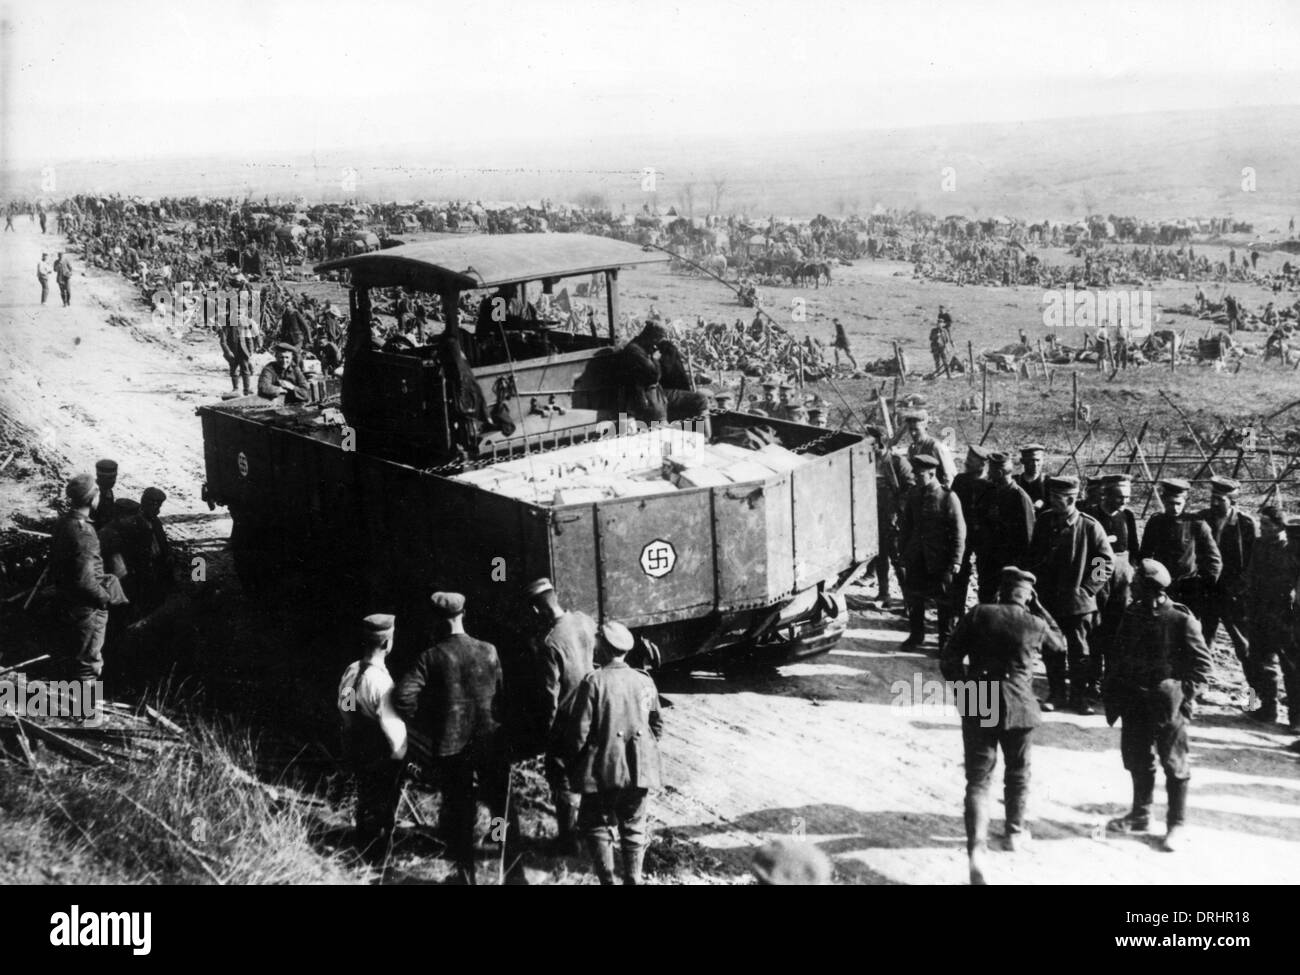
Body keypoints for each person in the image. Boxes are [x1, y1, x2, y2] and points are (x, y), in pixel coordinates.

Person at [941, 567, 1066, 884]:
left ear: (1000, 592)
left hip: (979, 700)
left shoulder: (978, 613)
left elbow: (949, 658)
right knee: (1018, 771)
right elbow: (1060, 645)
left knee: (978, 781)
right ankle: (1013, 833)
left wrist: (967, 691)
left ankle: (976, 851)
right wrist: (1040, 609)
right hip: (1019, 706)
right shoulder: (1034, 622)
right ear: (1027, 596)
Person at [393, 591, 521, 884]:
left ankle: (465, 876)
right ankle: (511, 871)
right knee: (500, 806)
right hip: (490, 743)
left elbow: (403, 697)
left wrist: (427, 720)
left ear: (437, 621)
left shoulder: (431, 657)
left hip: (452, 748)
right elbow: (502, 697)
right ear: (464, 614)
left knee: (461, 812)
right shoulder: (489, 650)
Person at [1103, 559, 1212, 852]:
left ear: (1150, 587)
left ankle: (1176, 824)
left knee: (1174, 765)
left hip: (1168, 707)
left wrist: (1180, 695)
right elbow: (1119, 652)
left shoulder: (1180, 619)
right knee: (1137, 759)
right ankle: (1140, 815)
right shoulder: (1133, 612)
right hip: (1135, 701)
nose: (1131, 584)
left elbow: (1203, 667)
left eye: (1136, 581)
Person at [562, 621, 663, 885]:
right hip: (639, 770)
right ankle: (633, 879)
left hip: (603, 771)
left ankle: (607, 880)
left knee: (595, 824)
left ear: (604, 650)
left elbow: (579, 734)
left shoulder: (594, 682)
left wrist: (574, 765)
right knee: (633, 826)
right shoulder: (644, 681)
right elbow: (657, 726)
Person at [1027, 475, 1113, 713]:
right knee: (1052, 650)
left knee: (1080, 653)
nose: (1052, 501)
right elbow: (1034, 555)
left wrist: (1087, 589)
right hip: (1048, 601)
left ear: (1072, 498)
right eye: (1052, 496)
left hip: (1078, 604)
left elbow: (1105, 561)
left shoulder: (1090, 526)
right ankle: (1056, 694)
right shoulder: (1044, 521)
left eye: (1058, 498)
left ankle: (1079, 697)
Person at [526, 577, 597, 853]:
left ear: (536, 610)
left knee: (563, 778)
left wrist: (547, 731)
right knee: (589, 770)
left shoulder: (549, 642)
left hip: (568, 720)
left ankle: (569, 841)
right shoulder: (584, 620)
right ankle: (594, 831)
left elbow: (549, 695)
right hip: (593, 710)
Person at [337, 613, 408, 864]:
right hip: (379, 754)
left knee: (365, 801)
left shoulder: (351, 670)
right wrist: (399, 761)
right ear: (387, 644)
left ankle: (360, 855)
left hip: (358, 747)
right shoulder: (382, 683)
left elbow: (345, 710)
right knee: (381, 812)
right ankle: (376, 866)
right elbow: (394, 731)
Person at [50, 474, 127, 683]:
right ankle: (85, 712)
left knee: (74, 656)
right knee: (87, 664)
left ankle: (74, 709)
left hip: (67, 600)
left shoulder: (64, 523)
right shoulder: (84, 531)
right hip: (87, 606)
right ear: (93, 498)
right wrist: (103, 598)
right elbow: (84, 579)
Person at [898, 453, 965, 651]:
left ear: (931, 473)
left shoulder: (947, 497)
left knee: (944, 603)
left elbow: (959, 531)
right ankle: (916, 635)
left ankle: (945, 641)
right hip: (916, 558)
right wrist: (903, 553)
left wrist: (956, 560)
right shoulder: (914, 495)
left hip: (940, 560)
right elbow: (907, 526)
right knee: (915, 598)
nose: (916, 478)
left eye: (919, 475)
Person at [1194, 476, 1255, 693]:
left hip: (1233, 595)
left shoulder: (1245, 525)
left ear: (1233, 502)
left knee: (1243, 645)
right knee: (1202, 640)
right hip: (1207, 591)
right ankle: (1200, 687)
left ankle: (1256, 695)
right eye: (1212, 498)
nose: (1214, 503)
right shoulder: (1202, 519)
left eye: (1219, 499)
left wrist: (1240, 590)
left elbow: (1250, 563)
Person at [1240, 506, 1294, 725]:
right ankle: (1264, 707)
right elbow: (1251, 573)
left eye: (1266, 525)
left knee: (1288, 666)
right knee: (1257, 662)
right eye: (1260, 524)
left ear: (1280, 527)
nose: (1261, 529)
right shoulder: (1260, 544)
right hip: (1258, 612)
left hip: (1283, 616)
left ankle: (1295, 718)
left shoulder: (1291, 548)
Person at [1138, 478, 1221, 620]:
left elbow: (1214, 559)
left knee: (1189, 624)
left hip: (1190, 587)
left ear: (1185, 502)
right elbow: (1145, 554)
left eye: (1179, 504)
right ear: (1163, 500)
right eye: (1171, 503)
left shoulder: (1196, 523)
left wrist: (1206, 585)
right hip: (1162, 586)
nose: (1175, 508)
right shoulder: (1156, 522)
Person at [1087, 474, 1139, 681]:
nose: (1124, 501)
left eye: (1127, 497)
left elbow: (1134, 548)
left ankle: (1112, 675)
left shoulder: (1128, 516)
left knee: (1118, 623)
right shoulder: (1092, 516)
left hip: (1122, 570)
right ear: (1105, 495)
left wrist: (1132, 572)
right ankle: (1093, 674)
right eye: (1119, 497)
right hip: (1098, 568)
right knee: (1096, 620)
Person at [616, 322, 708, 424]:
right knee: (700, 400)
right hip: (645, 397)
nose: (657, 343)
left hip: (650, 394)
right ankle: (706, 438)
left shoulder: (638, 347)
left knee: (698, 399)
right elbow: (654, 376)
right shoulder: (635, 351)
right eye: (658, 339)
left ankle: (703, 435)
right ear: (653, 337)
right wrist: (655, 359)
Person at [973, 452, 1035, 604]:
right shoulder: (990, 492)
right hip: (988, 561)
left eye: (991, 470)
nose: (988, 473)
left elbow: (1028, 538)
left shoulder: (1020, 497)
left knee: (1008, 604)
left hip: (1009, 564)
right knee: (987, 600)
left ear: (999, 473)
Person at [951, 444, 991, 613]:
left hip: (984, 537)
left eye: (970, 461)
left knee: (985, 576)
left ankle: (983, 616)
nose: (966, 463)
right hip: (963, 534)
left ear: (982, 464)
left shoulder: (991, 484)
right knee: (959, 574)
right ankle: (957, 613)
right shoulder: (960, 480)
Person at [901, 409, 955, 488]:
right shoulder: (911, 449)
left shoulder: (935, 446)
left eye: (916, 429)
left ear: (925, 428)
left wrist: (943, 494)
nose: (913, 433)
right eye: (910, 429)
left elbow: (949, 476)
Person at [219, 305, 259, 396]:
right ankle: (235, 389)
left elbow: (255, 336)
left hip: (244, 351)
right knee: (233, 369)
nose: (238, 315)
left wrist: (252, 350)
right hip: (232, 352)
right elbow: (223, 341)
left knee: (245, 369)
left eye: (240, 313)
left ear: (244, 313)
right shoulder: (227, 325)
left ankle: (246, 390)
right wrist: (228, 352)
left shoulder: (249, 323)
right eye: (236, 313)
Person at [1014, 444, 1047, 511]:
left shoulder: (1048, 482)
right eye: (1031, 460)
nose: (1035, 464)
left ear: (1043, 461)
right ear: (1022, 461)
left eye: (1038, 460)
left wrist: (1043, 503)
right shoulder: (1014, 482)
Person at [91, 459, 118, 531]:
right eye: (110, 478)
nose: (114, 481)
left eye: (114, 477)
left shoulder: (108, 491)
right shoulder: (94, 494)